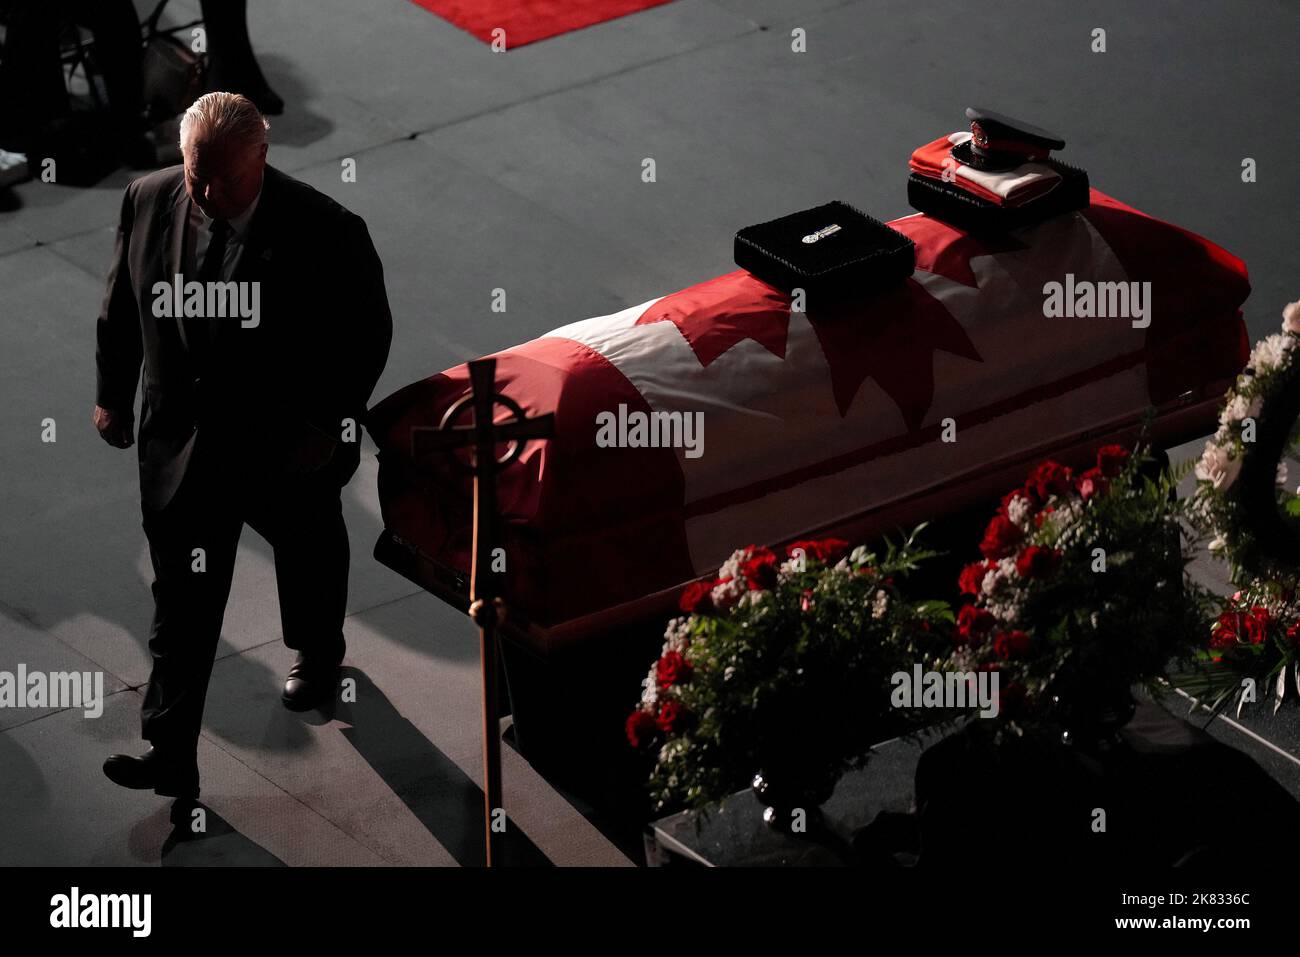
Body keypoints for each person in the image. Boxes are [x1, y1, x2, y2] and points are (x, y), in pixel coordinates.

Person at [94, 92, 392, 799]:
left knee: (307, 545)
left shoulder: (326, 230)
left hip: (283, 446)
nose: (205, 191)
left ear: (262, 155)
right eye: (196, 172)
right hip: (183, 447)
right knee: (181, 601)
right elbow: (119, 308)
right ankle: (168, 750)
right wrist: (112, 392)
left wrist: (324, 428)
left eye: (222, 178)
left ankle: (318, 652)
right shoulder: (148, 199)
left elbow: (364, 336)